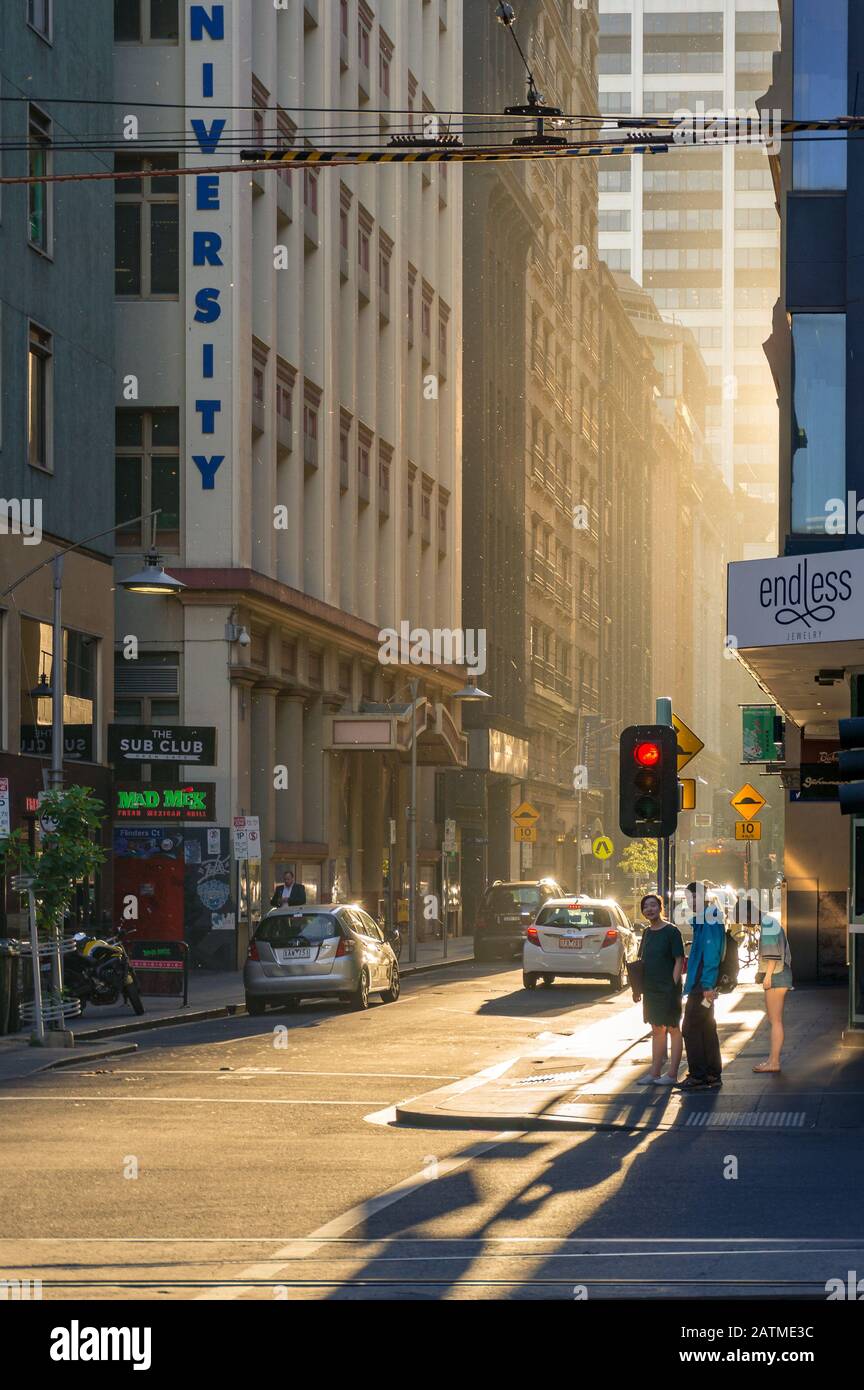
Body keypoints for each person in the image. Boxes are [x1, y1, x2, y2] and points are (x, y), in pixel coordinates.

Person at [634, 893, 686, 1086]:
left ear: (660, 907)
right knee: (656, 1030)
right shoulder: (647, 933)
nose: (650, 909)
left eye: (653, 905)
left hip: (668, 989)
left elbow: (679, 960)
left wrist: (673, 987)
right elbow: (643, 961)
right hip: (650, 989)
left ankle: (672, 1074)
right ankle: (654, 1073)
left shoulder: (672, 932)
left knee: (673, 1028)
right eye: (646, 906)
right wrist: (638, 989)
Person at [680, 880, 726, 1091]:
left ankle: (699, 1075)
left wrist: (707, 984)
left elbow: (711, 953)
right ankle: (711, 1074)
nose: (690, 902)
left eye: (693, 897)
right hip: (703, 983)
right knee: (707, 1027)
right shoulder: (706, 918)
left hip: (702, 985)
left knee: (690, 1028)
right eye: (688, 898)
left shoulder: (708, 919)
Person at [753, 911, 793, 1074]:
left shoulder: (768, 925)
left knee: (775, 1021)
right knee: (774, 1020)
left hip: (777, 975)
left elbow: (773, 956)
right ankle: (771, 1060)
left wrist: (767, 977)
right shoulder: (770, 922)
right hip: (779, 974)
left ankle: (774, 1062)